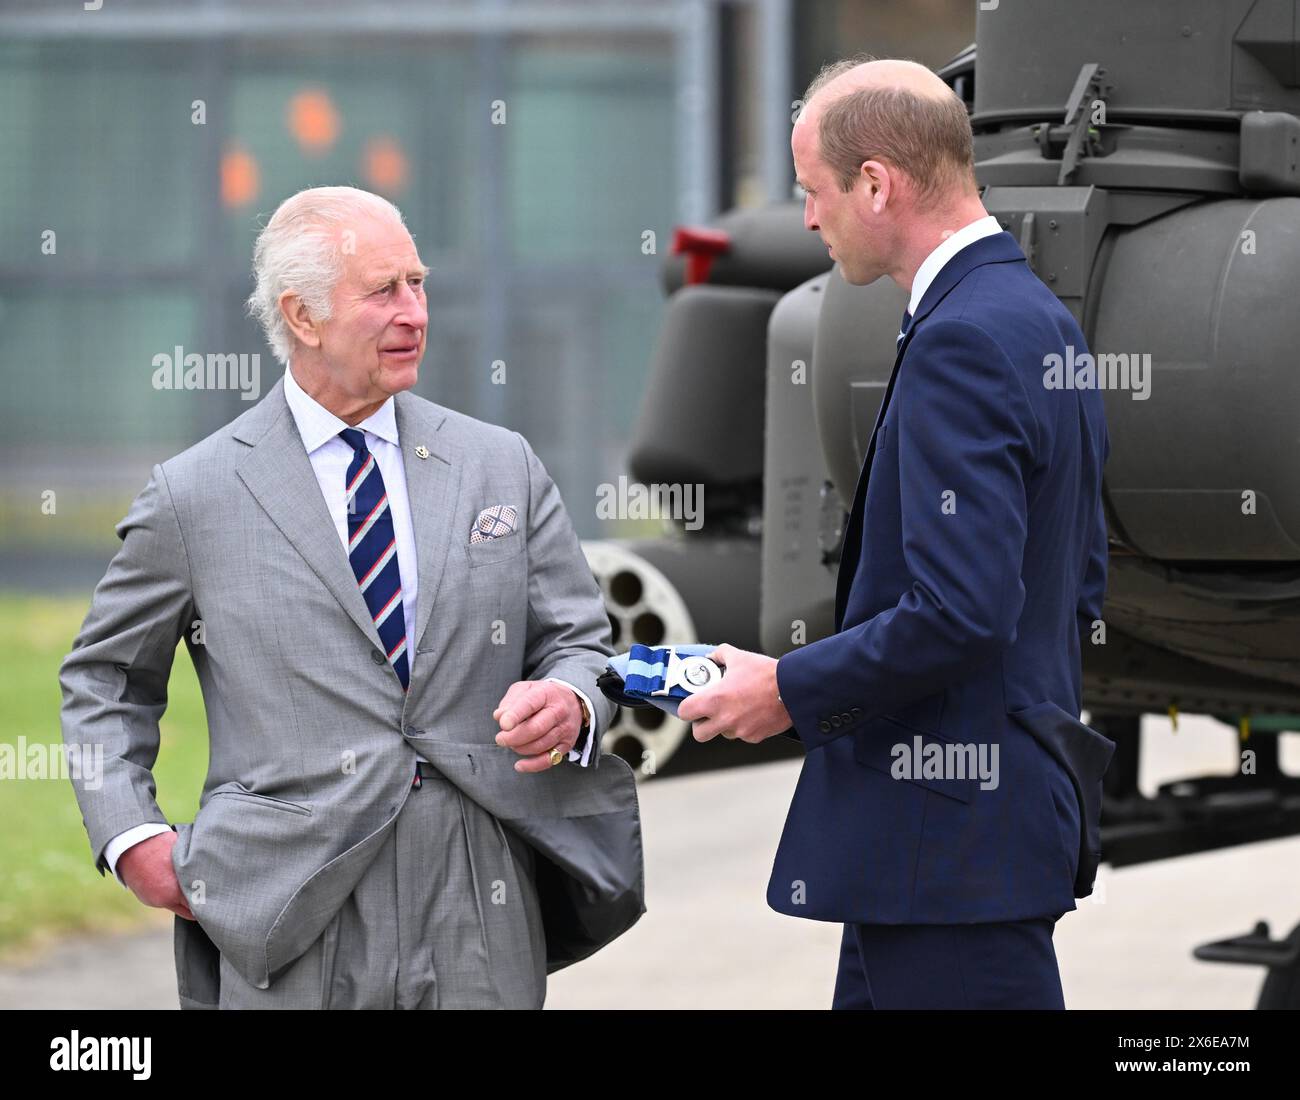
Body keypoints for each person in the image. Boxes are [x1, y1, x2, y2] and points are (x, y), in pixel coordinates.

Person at [59, 185, 643, 1009]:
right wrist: (132, 837)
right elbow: (104, 682)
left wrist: (574, 701)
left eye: (418, 282)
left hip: (479, 892)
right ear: (302, 317)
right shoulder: (193, 495)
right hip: (286, 896)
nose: (415, 312)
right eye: (384, 291)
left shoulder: (497, 463)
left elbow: (580, 641)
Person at [678, 57, 1111, 1009]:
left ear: (876, 183)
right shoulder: (1037, 318)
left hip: (949, 856)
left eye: (814, 190)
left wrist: (785, 687)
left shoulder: (961, 337)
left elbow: (962, 613)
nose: (805, 218)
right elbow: (1076, 578)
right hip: (945, 848)